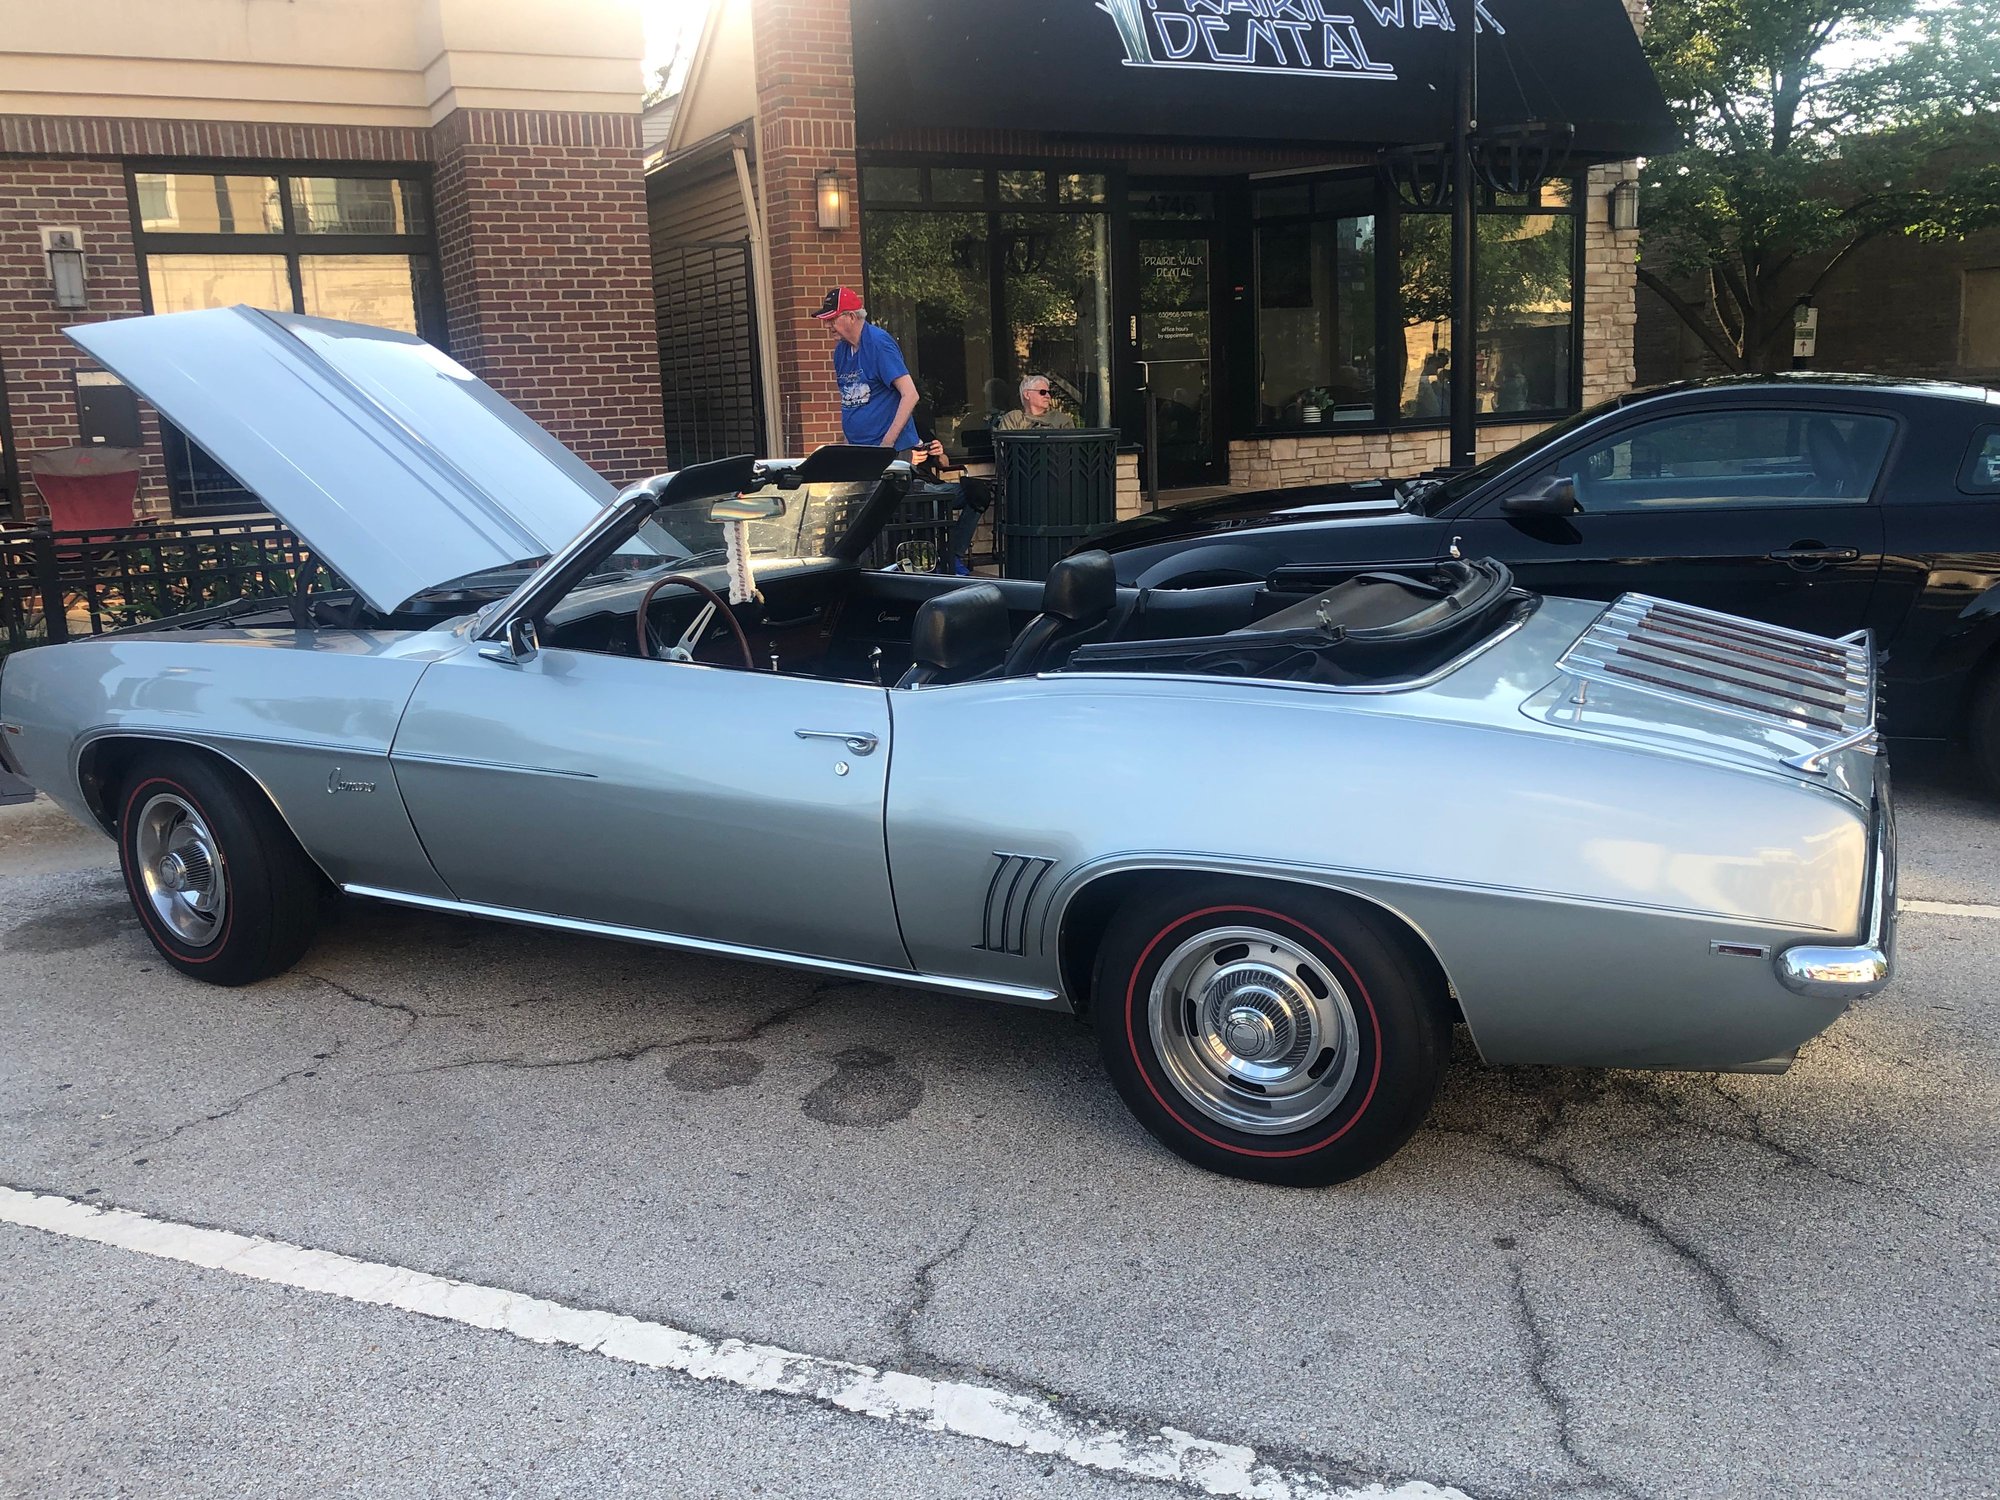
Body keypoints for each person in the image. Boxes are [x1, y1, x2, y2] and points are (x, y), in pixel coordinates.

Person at [812, 286, 942, 464]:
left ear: (851, 317)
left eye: (832, 319)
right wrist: (847, 444)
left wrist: (887, 445)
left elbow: (910, 394)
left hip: (888, 451)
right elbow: (850, 401)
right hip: (860, 451)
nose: (827, 325)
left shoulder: (879, 343)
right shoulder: (841, 351)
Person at [995, 375, 1077, 432]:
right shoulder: (1013, 418)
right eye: (1043, 392)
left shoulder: (1062, 419)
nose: (1048, 396)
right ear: (1027, 394)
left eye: (1049, 392)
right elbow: (1005, 451)